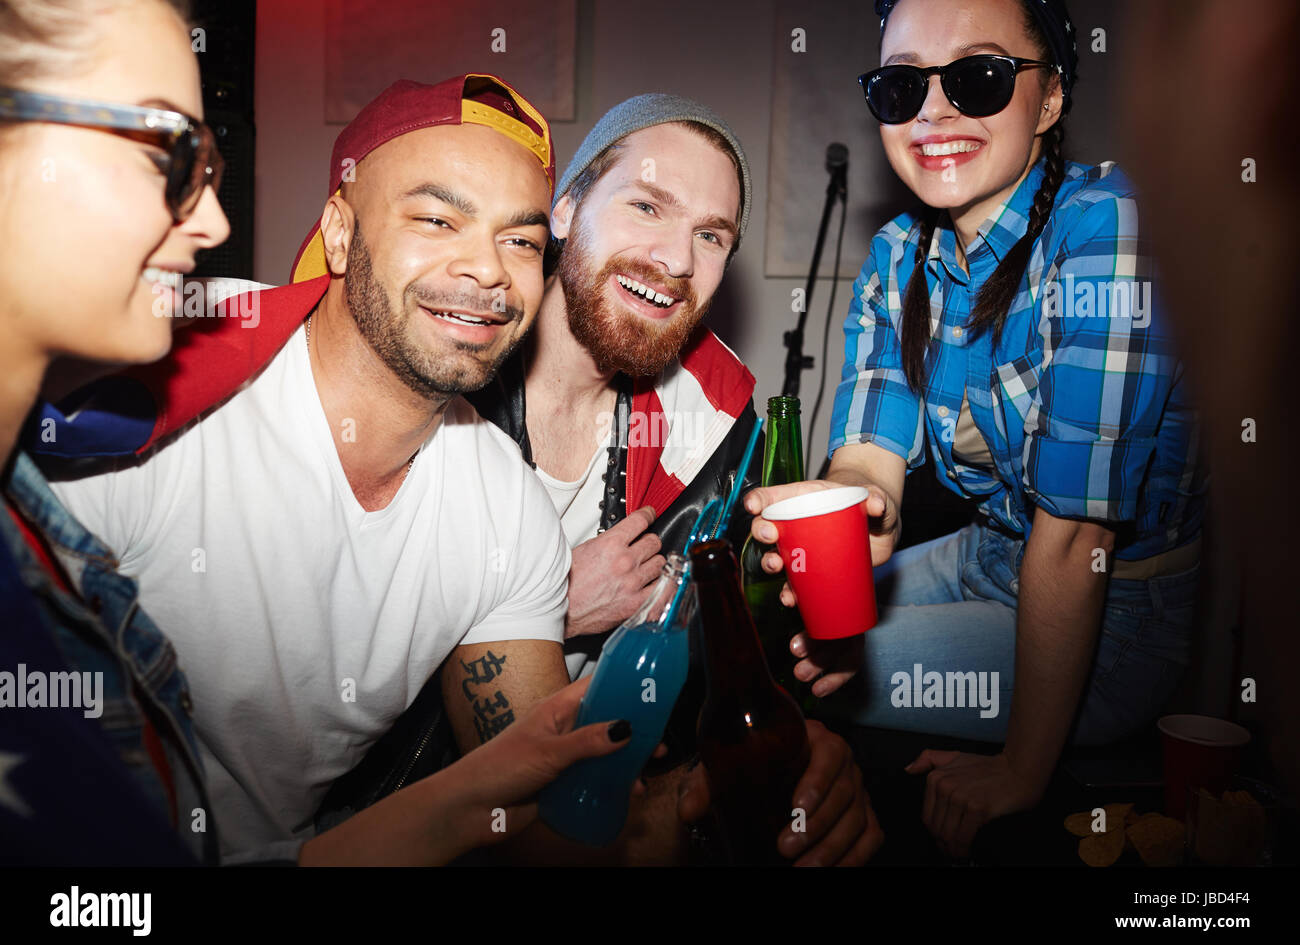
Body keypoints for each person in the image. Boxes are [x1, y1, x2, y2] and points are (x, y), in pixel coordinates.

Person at [20, 62, 638, 865]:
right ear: (341, 232)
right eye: (438, 221)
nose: (488, 270)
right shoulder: (153, 401)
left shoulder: (505, 511)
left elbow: (535, 803)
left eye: (519, 240)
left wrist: (693, 806)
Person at [297, 95, 881, 866]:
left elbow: (726, 672)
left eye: (711, 236)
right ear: (564, 211)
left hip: (597, 800)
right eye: (646, 205)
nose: (677, 260)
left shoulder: (718, 427)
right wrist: (551, 608)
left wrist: (803, 747)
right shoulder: (429, 365)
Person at [748, 0, 1205, 858]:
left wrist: (1020, 775)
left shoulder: (1107, 232)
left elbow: (1074, 540)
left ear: (1053, 97)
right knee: (781, 642)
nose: (932, 111)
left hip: (1111, 618)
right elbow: (870, 456)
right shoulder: (897, 254)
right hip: (986, 552)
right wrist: (848, 511)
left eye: (979, 77)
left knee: (809, 691)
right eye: (901, 85)